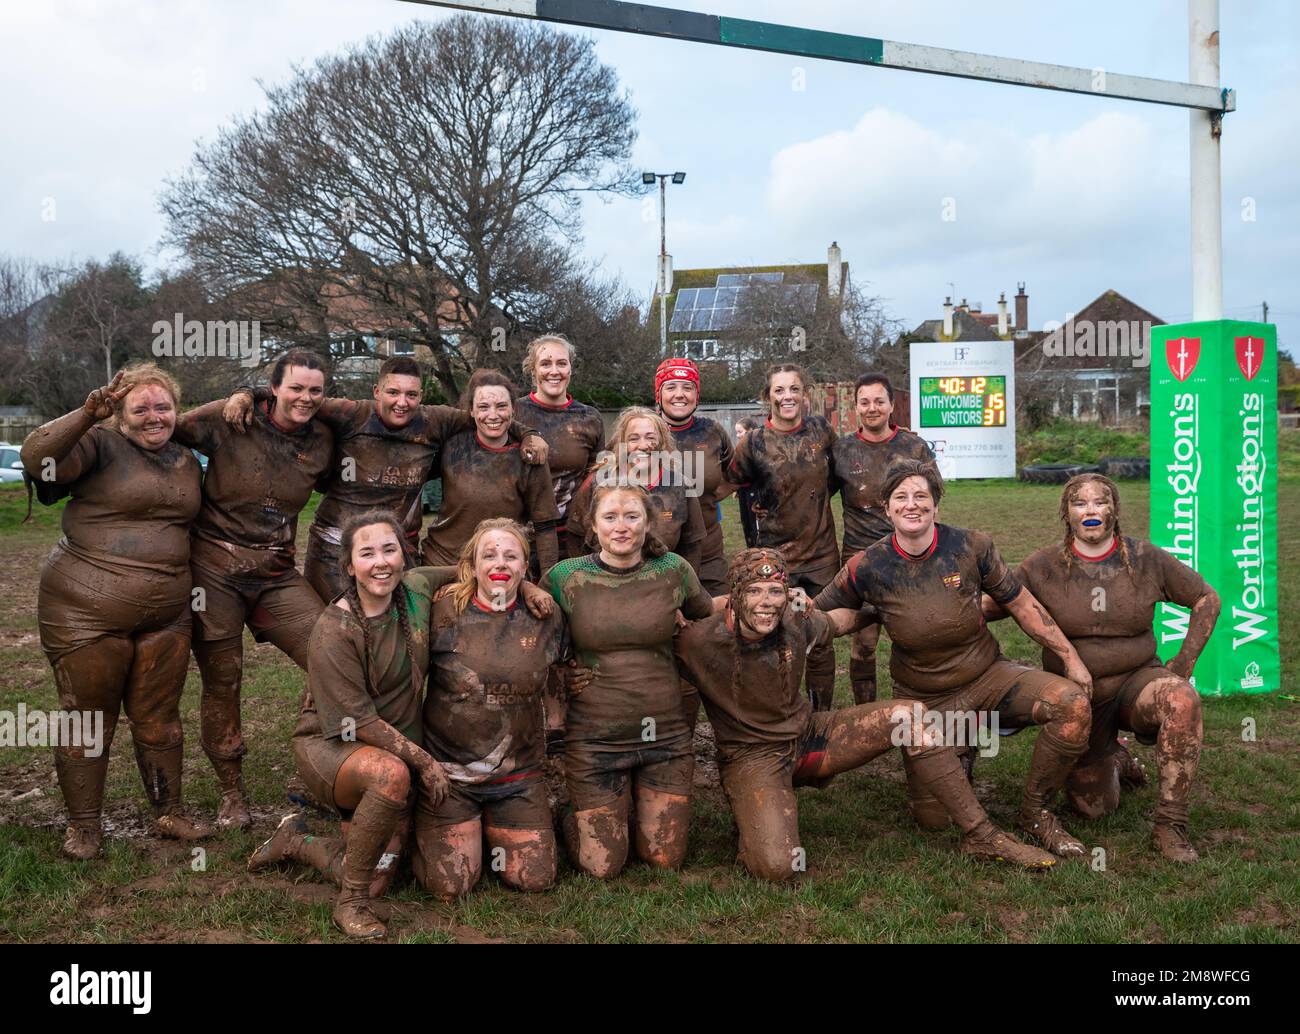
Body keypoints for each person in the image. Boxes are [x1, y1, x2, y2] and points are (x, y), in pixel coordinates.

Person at [675, 549, 1056, 879]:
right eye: (754, 591)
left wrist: (883, 609)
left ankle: (982, 835)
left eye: (775, 591)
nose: (766, 602)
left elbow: (842, 621)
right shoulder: (696, 640)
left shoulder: (796, 620)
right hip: (752, 758)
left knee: (913, 717)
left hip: (811, 737)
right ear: (734, 596)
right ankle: (753, 824)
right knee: (778, 866)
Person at [814, 459, 1096, 858]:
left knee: (1071, 705)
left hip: (989, 676)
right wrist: (803, 618)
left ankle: (1036, 812)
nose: (912, 505)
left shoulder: (972, 546)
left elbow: (1022, 604)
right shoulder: (868, 565)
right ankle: (961, 747)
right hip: (926, 699)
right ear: (887, 508)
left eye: (921, 496)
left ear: (936, 505)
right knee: (934, 820)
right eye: (901, 497)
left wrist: (1070, 658)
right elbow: (825, 611)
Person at [21, 366, 212, 859]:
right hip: (84, 609)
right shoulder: (98, 445)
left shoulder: (186, 460)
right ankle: (85, 825)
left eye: (163, 406)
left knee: (160, 716)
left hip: (167, 614)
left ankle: (169, 812)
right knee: (87, 718)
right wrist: (87, 414)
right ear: (120, 416)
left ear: (177, 409)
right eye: (141, 408)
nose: (154, 416)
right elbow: (36, 457)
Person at [984, 473, 1218, 862]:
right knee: (1094, 808)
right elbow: (995, 606)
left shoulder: (1146, 559)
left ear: (1114, 510)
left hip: (1137, 683)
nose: (1090, 510)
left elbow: (1206, 599)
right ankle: (1116, 756)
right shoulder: (1042, 565)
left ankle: (1170, 824)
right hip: (1080, 699)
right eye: (1080, 503)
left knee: (1181, 700)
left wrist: (1184, 663)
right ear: (1066, 513)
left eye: (1099, 502)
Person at [222, 356, 548, 602]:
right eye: (392, 392)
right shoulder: (350, 413)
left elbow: (490, 416)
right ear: (377, 391)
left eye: (411, 394)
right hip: (336, 546)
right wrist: (245, 392)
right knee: (335, 631)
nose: (401, 402)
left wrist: (529, 434)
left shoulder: (435, 421)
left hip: (398, 548)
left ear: (421, 396)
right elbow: (300, 397)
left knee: (393, 632)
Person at [171, 350, 335, 829]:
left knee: (333, 652)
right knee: (224, 678)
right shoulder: (229, 419)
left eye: (315, 390)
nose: (305, 398)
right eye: (295, 388)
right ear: (275, 388)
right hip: (214, 570)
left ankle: (322, 770)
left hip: (275, 572)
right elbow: (161, 427)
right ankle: (231, 792)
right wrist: (243, 394)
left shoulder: (324, 438)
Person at [547, 483, 715, 878]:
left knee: (664, 858)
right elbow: (533, 635)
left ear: (648, 523)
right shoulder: (565, 577)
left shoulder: (673, 570)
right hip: (595, 739)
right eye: (609, 517)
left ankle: (636, 801)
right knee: (602, 866)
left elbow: (706, 621)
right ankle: (570, 814)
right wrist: (561, 674)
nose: (620, 527)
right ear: (592, 525)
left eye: (631, 516)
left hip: (666, 736)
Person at [414, 519, 572, 899]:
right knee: (451, 887)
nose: (500, 563)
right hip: (450, 776)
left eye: (510, 556)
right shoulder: (443, 608)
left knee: (534, 879)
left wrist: (558, 735)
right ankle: (433, 830)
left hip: (516, 778)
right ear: (471, 564)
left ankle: (516, 823)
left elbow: (561, 673)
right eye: (489, 555)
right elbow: (412, 579)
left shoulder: (546, 615)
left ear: (524, 566)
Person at [726, 364, 840, 709]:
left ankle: (821, 717)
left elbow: (833, 479)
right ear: (767, 397)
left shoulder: (822, 431)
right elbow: (730, 486)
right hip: (774, 558)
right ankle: (778, 714)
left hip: (821, 554)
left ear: (805, 395)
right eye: (779, 390)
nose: (787, 396)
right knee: (773, 636)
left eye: (794, 389)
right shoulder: (754, 442)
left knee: (820, 637)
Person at [831, 373, 934, 704]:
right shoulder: (843, 450)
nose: (871, 407)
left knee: (920, 638)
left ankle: (925, 707)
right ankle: (868, 715)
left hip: (911, 557)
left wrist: (933, 551)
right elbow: (813, 496)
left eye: (879, 401)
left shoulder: (913, 447)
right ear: (856, 407)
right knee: (863, 643)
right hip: (861, 560)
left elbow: (935, 501)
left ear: (891, 405)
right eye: (865, 401)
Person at [419, 370, 560, 573]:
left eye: (501, 406)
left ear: (513, 409)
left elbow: (545, 526)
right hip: (444, 564)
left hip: (500, 569)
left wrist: (548, 582)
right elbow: (413, 478)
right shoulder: (452, 445)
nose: (493, 415)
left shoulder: (530, 456)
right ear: (471, 411)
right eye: (483, 407)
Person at [565, 406, 706, 573]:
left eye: (650, 437)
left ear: (662, 442)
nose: (643, 445)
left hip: (662, 582)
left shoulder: (680, 485)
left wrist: (683, 587)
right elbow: (575, 537)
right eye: (634, 439)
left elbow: (692, 545)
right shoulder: (599, 482)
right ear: (622, 443)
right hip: (607, 583)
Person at [514, 334, 605, 554]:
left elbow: (596, 478)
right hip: (519, 535)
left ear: (570, 369)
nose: (554, 371)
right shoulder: (513, 412)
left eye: (561, 363)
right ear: (533, 370)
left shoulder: (589, 418)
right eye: (545, 364)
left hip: (571, 535)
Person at [654, 358, 734, 594]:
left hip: (709, 552)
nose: (680, 394)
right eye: (671, 387)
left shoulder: (712, 431)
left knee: (717, 621)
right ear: (658, 395)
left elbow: (735, 473)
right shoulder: (642, 431)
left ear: (696, 394)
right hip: (656, 555)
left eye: (688, 387)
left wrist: (707, 499)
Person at [733, 416, 762, 549]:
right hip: (744, 491)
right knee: (746, 523)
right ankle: (751, 550)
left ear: (750, 430)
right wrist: (737, 488)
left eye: (740, 432)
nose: (738, 435)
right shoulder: (741, 448)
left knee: (755, 523)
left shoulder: (758, 448)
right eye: (736, 433)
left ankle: (760, 550)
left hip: (756, 492)